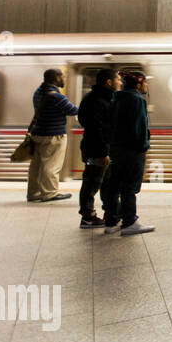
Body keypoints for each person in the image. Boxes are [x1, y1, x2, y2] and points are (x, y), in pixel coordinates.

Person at [105, 71, 155, 236]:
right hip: (132, 151)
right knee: (129, 187)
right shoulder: (137, 100)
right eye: (145, 82)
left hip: (117, 149)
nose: (146, 86)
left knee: (115, 185)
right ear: (139, 84)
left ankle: (111, 221)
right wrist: (143, 147)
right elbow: (138, 128)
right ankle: (130, 221)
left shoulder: (116, 98)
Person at [26, 68, 78, 202]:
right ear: (56, 78)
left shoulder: (38, 92)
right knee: (51, 165)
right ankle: (50, 193)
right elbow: (72, 110)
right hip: (54, 135)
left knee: (36, 166)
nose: (65, 79)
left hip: (38, 133)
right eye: (63, 77)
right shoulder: (56, 96)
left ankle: (34, 193)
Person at [76, 69, 118, 228]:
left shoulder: (97, 98)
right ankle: (87, 217)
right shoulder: (97, 100)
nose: (120, 82)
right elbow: (96, 128)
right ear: (109, 82)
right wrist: (102, 152)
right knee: (92, 182)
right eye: (118, 79)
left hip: (97, 147)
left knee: (104, 182)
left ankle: (106, 212)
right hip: (96, 149)